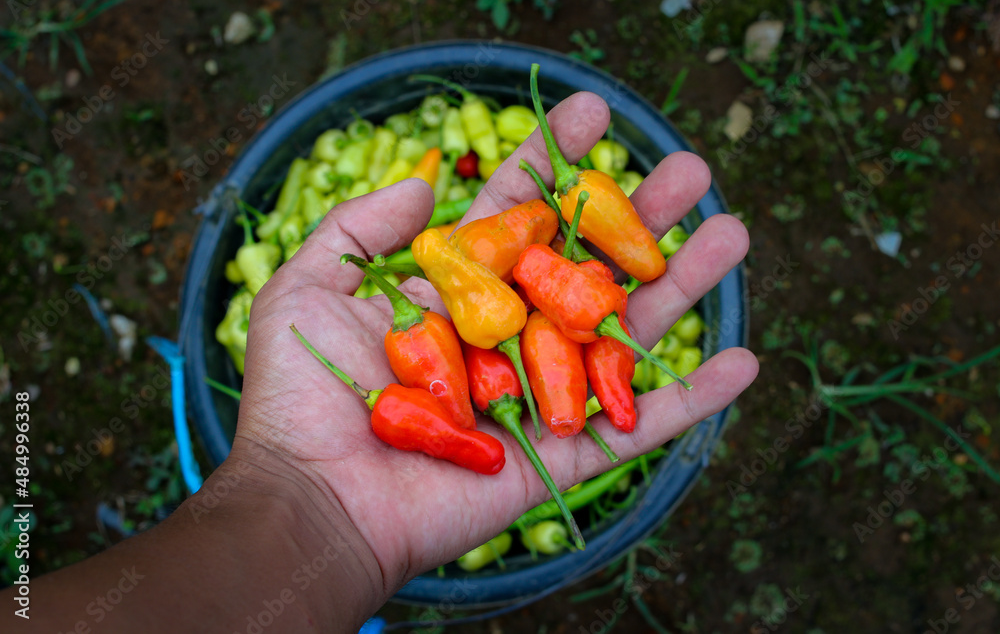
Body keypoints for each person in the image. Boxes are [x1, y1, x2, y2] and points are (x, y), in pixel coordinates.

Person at [5, 90, 757, 633]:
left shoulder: (498, 301)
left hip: (501, 349)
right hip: (488, 363)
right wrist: (297, 489)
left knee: (555, 319)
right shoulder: (452, 331)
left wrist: (294, 493)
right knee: (527, 327)